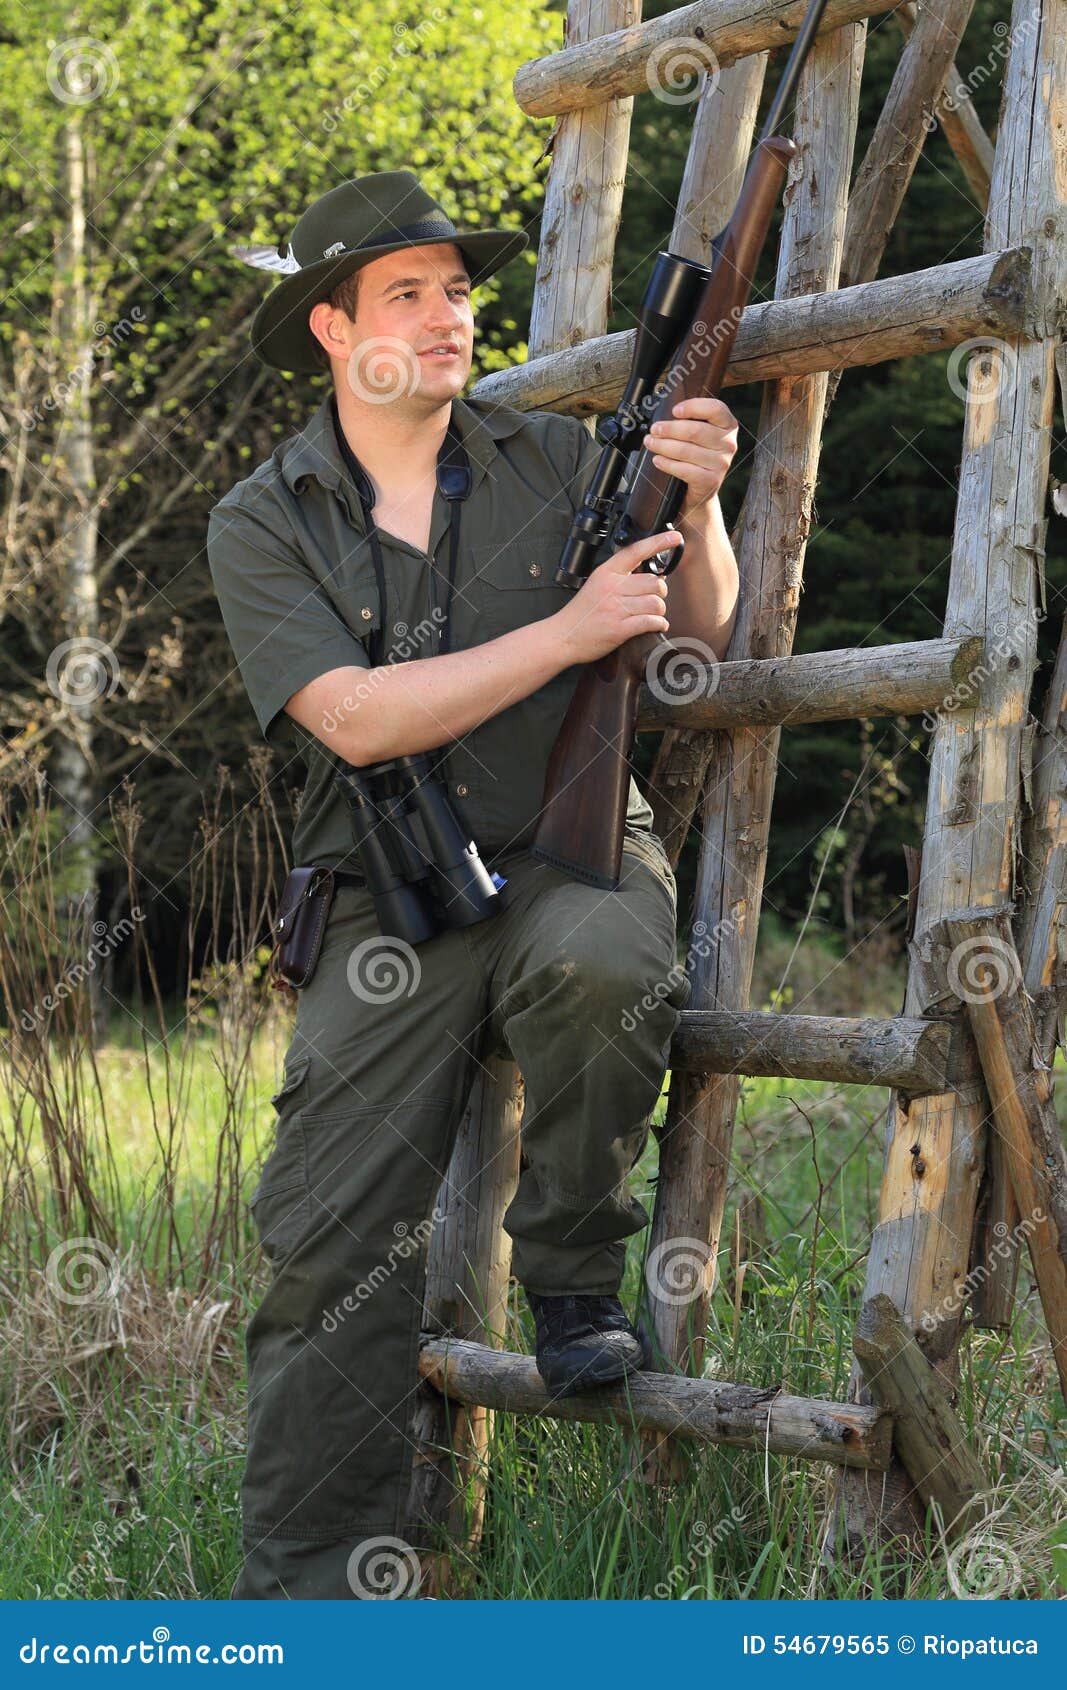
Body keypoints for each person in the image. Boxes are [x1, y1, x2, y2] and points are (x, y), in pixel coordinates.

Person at [207, 169, 739, 1599]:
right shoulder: (264, 520)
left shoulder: (549, 461)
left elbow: (694, 629)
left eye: (456, 288)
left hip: (566, 861)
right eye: (407, 293)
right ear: (331, 328)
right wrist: (565, 630)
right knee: (325, 1244)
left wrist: (702, 492)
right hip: (388, 912)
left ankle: (574, 1272)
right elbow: (356, 716)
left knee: (610, 961)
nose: (449, 318)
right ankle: (318, 1594)